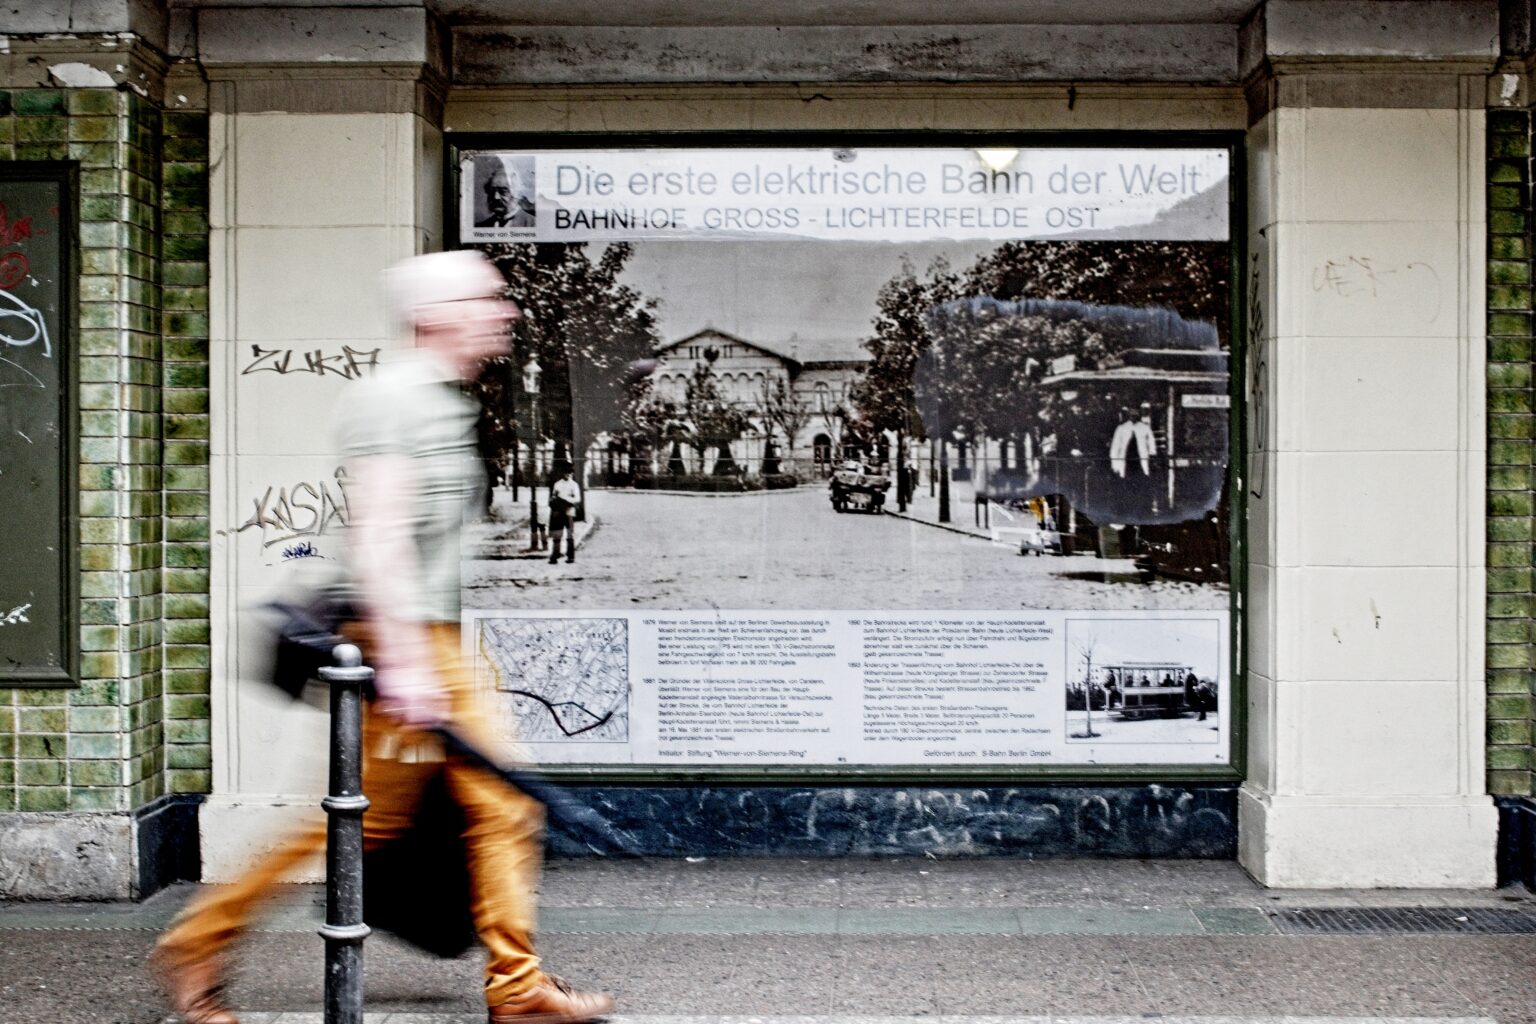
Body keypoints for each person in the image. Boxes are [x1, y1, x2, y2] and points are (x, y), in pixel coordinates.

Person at [151, 250, 612, 1024]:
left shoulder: (441, 400)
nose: (503, 311)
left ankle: (516, 984)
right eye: (484, 299)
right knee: (391, 815)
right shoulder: (394, 400)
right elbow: (379, 536)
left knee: (449, 811)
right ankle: (200, 940)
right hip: (405, 637)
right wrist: (405, 662)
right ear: (433, 316)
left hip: (433, 639)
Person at [476, 156, 536, 228]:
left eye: (503, 192)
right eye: (492, 191)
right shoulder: (480, 226)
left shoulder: (533, 224)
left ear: (516, 193)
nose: (496, 197)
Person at [548, 465, 581, 564]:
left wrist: (564, 498)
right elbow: (553, 497)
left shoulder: (574, 485)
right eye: (566, 472)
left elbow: (577, 499)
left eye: (569, 473)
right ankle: (555, 555)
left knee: (570, 534)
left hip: (569, 511)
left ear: (572, 473)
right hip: (559, 512)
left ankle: (571, 556)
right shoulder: (557, 484)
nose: (568, 474)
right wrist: (555, 500)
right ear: (562, 473)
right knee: (557, 534)